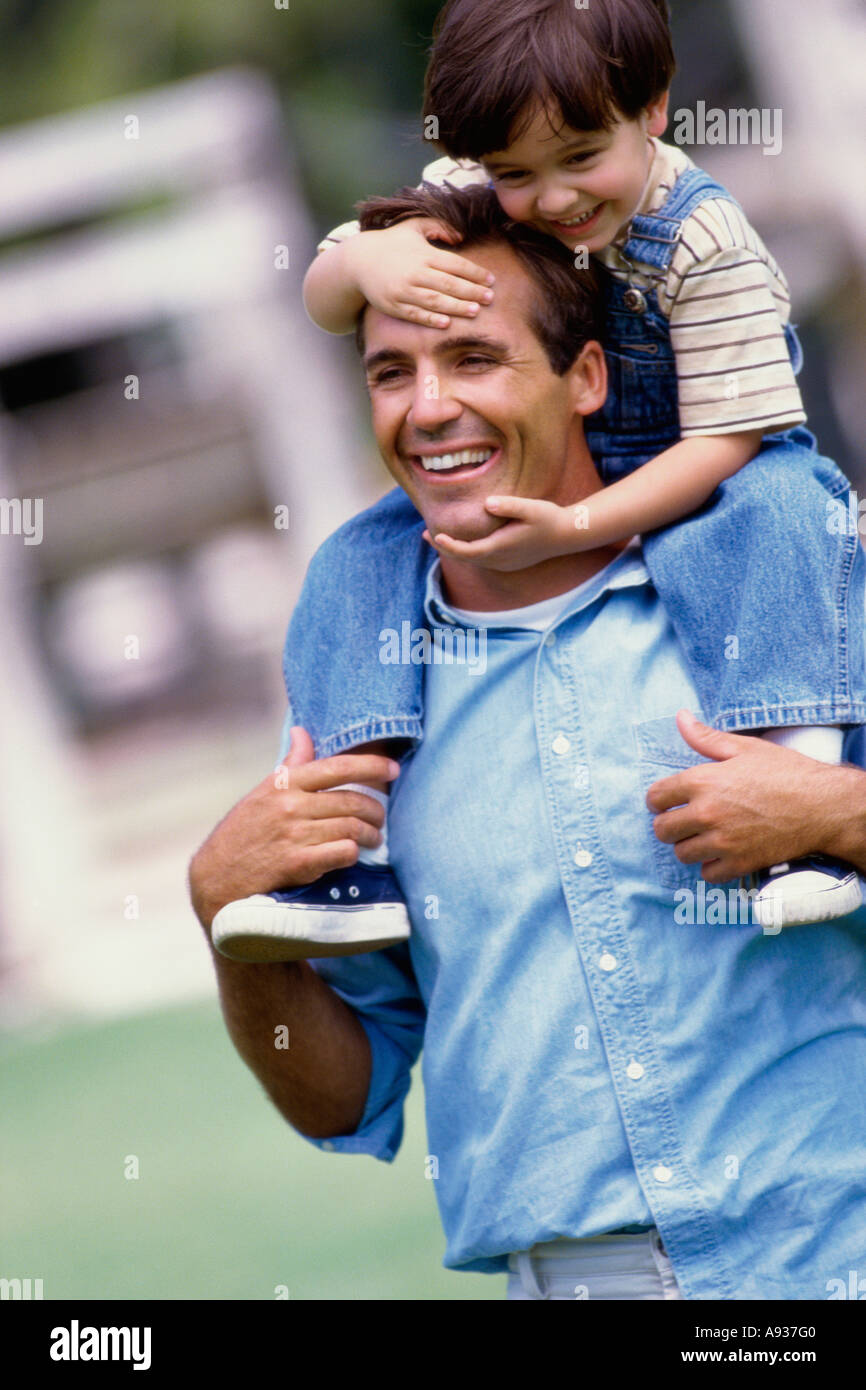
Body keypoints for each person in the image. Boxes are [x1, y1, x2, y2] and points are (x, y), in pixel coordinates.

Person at [190, 184, 866, 1299]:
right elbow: (339, 1097)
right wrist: (226, 927)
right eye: (391, 372)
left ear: (587, 377)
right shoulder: (361, 703)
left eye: (474, 358)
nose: (427, 408)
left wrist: (834, 814)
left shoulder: (795, 604)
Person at [211, 0, 866, 964]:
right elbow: (322, 303)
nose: (553, 197)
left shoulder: (705, 238)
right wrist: (365, 258)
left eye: (578, 159)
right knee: (360, 551)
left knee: (779, 513)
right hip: (570, 457)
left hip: (711, 460)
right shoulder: (476, 179)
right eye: (516, 174)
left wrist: (576, 524)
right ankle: (350, 840)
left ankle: (797, 795)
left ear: (652, 109)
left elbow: (729, 439)